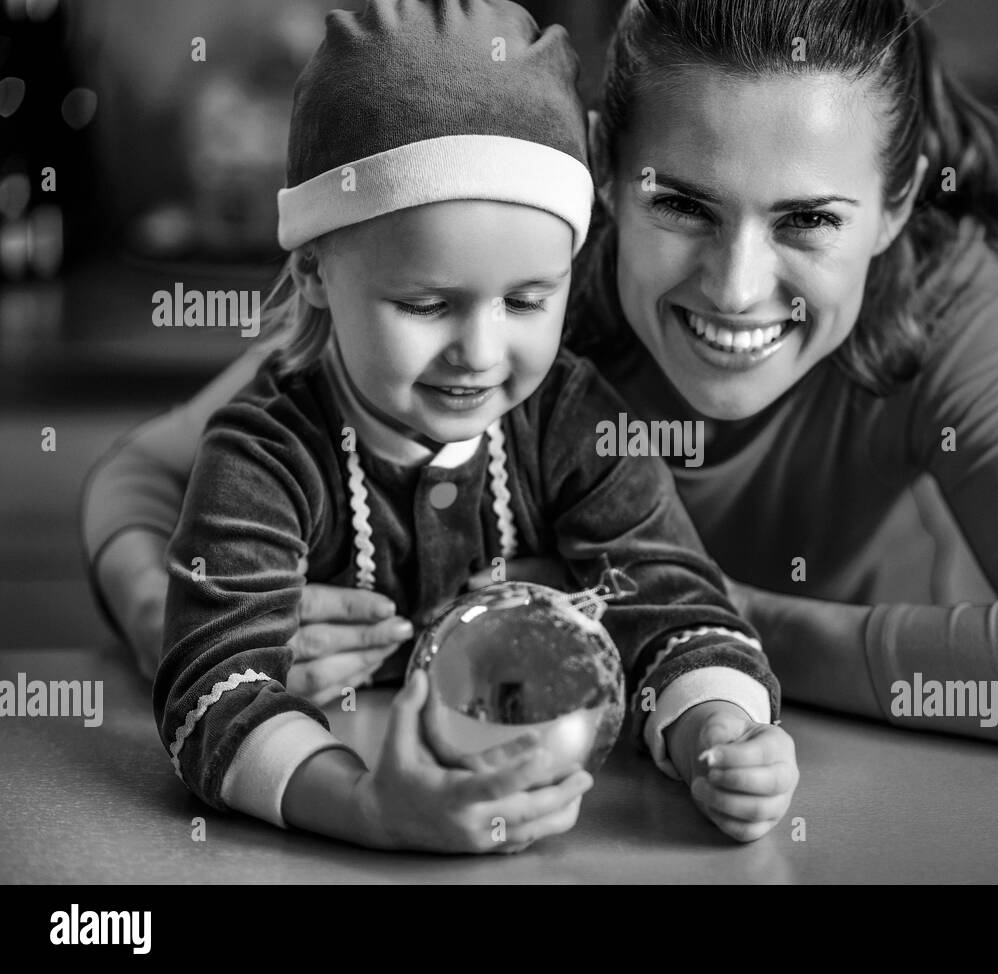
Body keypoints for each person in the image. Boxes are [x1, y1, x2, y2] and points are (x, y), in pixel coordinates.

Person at [84, 0, 998, 770]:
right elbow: (137, 481)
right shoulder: (503, 297)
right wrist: (184, 624)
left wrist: (675, 619)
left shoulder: (944, 303)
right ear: (605, 172)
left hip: (834, 761)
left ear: (895, 205)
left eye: (807, 219)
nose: (738, 287)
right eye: (682, 206)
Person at [148, 0, 797, 853]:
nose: (481, 354)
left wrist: (717, 731)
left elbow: (671, 604)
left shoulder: (577, 420)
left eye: (528, 300)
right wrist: (369, 806)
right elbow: (214, 687)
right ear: (311, 269)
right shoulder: (264, 454)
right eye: (426, 304)